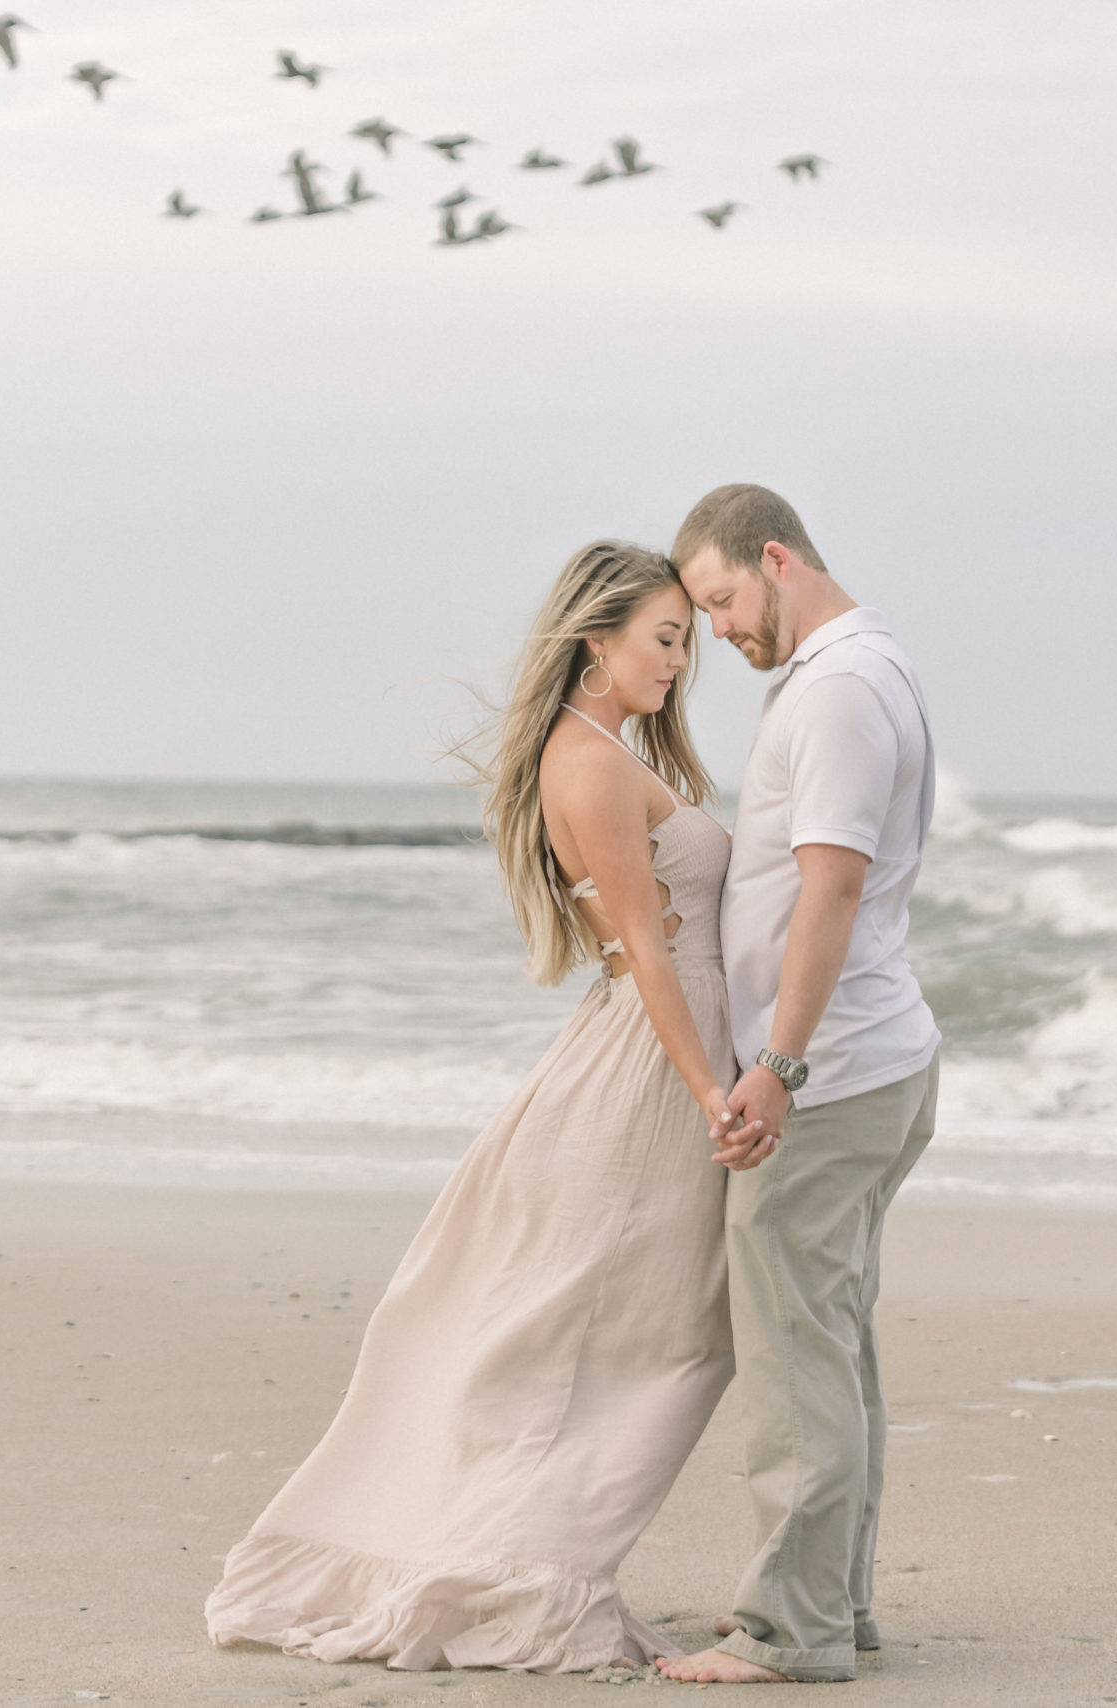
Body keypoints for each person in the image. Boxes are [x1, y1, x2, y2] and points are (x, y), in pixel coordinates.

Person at [203, 541, 774, 1673]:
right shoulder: (591, 763)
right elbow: (649, 956)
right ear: (596, 637)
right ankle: (527, 1573)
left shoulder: (603, 748)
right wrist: (710, 1083)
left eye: (684, 637)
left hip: (658, 1055)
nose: (680, 658)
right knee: (652, 1330)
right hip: (653, 1069)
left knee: (647, 1329)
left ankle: (533, 1559)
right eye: (663, 636)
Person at [658, 484, 942, 1686]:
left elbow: (830, 888)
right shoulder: (861, 670)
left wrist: (776, 1063)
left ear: (775, 559)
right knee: (829, 1347)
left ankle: (792, 1629)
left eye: (722, 600)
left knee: (792, 1359)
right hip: (873, 1062)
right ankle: (836, 1607)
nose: (717, 631)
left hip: (827, 1080)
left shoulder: (833, 691)